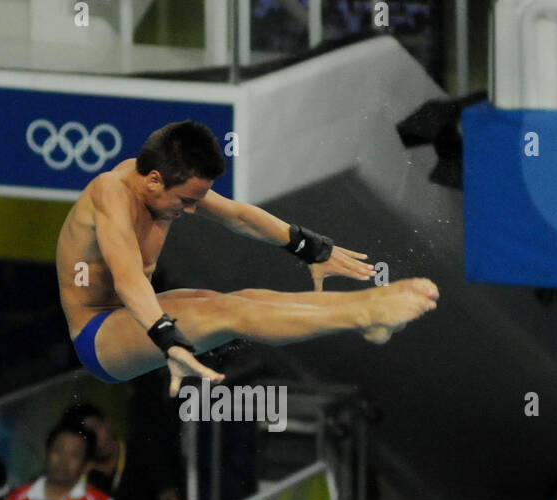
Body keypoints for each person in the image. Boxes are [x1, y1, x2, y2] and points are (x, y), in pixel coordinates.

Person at [56, 120, 439, 396]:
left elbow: (238, 217)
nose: (191, 212)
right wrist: (168, 339)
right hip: (98, 334)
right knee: (226, 315)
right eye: (185, 202)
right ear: (154, 180)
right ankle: (364, 312)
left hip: (137, 311)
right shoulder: (110, 194)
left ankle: (364, 320)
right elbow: (128, 279)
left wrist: (311, 248)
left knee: (241, 300)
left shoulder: (164, 185)